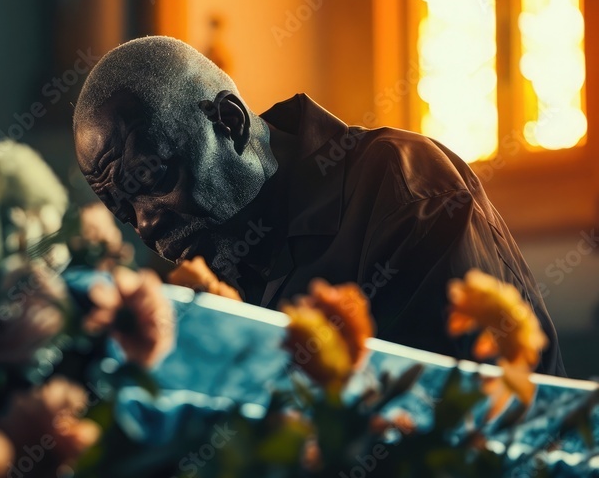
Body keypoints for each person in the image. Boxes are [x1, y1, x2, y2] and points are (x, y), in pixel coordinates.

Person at [72, 35, 565, 376]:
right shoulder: (222, 269)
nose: (146, 223)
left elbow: (451, 423)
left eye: (153, 176)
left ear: (230, 122)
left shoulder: (402, 186)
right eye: (122, 208)